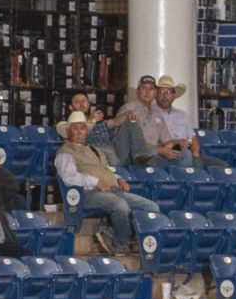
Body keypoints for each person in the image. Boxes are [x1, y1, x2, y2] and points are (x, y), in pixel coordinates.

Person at [52, 112, 161, 251]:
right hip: (87, 193)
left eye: (82, 127)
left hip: (111, 190)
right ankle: (119, 244)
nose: (80, 131)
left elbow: (106, 169)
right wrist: (95, 182)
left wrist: (119, 179)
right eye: (75, 128)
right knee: (120, 206)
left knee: (151, 207)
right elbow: (69, 177)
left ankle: (115, 235)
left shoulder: (95, 150)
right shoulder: (65, 153)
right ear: (68, 132)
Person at [149, 76, 223, 168]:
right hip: (167, 153)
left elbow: (193, 138)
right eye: (161, 92)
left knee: (223, 166)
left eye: (168, 92)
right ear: (156, 95)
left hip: (188, 151)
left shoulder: (182, 115)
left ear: (173, 95)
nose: (165, 96)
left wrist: (195, 155)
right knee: (187, 156)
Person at [104, 75, 164, 164]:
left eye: (151, 89)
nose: (147, 92)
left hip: (153, 152)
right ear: (138, 92)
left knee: (183, 154)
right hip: (128, 153)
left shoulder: (158, 113)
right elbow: (119, 134)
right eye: (144, 88)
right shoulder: (129, 107)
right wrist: (158, 150)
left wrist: (176, 144)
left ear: (155, 93)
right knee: (131, 120)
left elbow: (166, 138)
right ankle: (141, 154)